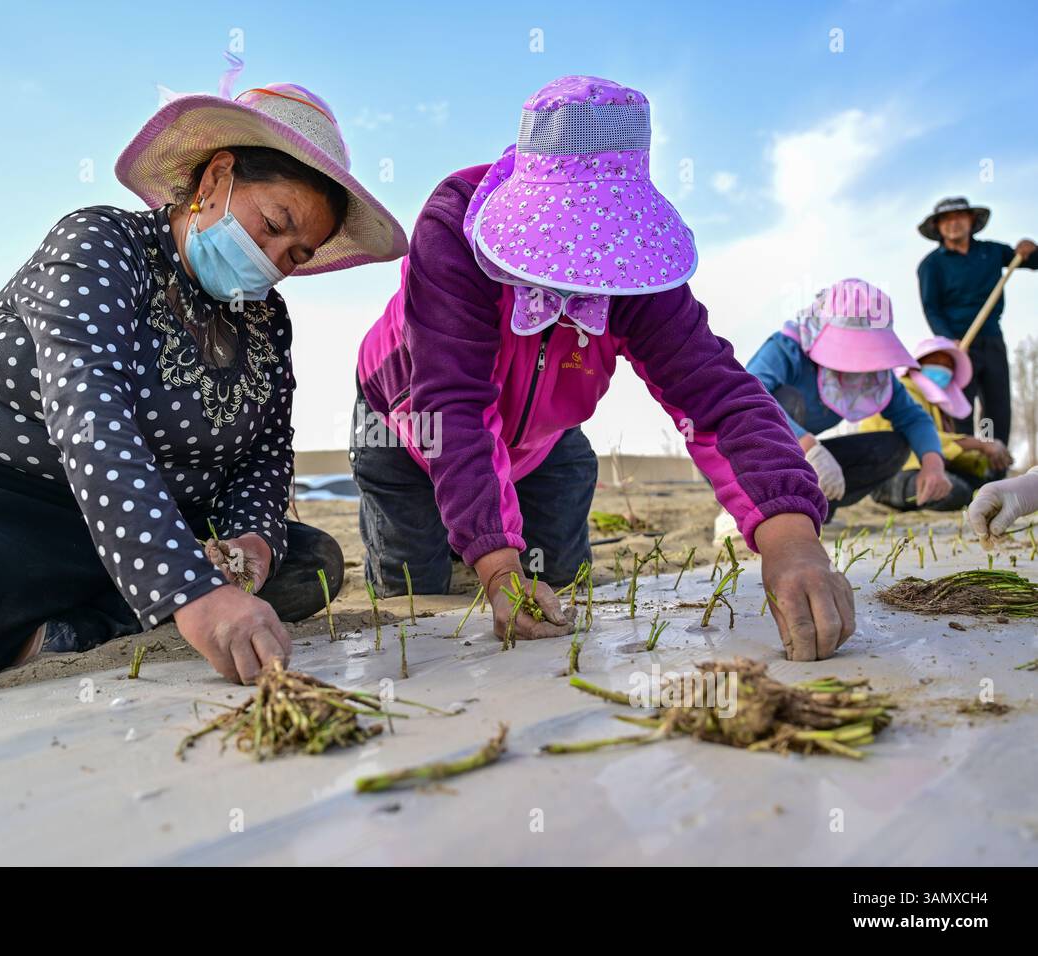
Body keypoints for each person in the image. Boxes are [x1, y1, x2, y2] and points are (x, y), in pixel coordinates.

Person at [0, 74, 408, 687]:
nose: (271, 264)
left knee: (309, 563)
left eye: (294, 256)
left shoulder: (265, 324)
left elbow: (263, 458)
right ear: (217, 176)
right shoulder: (98, 245)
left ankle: (69, 627)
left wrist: (251, 545)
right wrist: (196, 596)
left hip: (148, 529)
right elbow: (92, 421)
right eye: (271, 227)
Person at [352, 75, 854, 663]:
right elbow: (452, 405)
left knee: (563, 588)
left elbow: (715, 395)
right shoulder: (455, 227)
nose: (573, 269)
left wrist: (791, 537)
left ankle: (495, 540)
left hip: (545, 438)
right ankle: (465, 549)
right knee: (416, 604)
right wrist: (498, 568)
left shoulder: (636, 264)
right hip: (411, 426)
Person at [745, 280, 952, 518]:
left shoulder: (874, 376)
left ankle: (812, 504)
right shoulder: (786, 350)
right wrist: (805, 445)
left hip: (803, 462)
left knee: (893, 447)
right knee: (785, 399)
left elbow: (913, 418)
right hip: (749, 455)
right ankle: (749, 503)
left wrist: (933, 463)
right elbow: (748, 398)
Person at [917, 196, 1038, 443]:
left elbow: (1031, 260)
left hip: (992, 338)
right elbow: (932, 308)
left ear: (971, 220)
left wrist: (1030, 249)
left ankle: (995, 469)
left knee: (998, 407)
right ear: (938, 227)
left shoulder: (992, 252)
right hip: (958, 346)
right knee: (960, 408)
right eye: (946, 220)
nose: (953, 224)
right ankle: (964, 470)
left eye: (959, 216)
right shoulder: (931, 265)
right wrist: (951, 340)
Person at [862, 336, 1011, 511]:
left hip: (923, 469)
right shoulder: (904, 391)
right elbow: (922, 439)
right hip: (890, 473)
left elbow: (944, 450)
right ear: (916, 364)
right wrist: (981, 444)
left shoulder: (937, 405)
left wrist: (982, 459)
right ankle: (901, 499)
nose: (943, 369)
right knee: (956, 492)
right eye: (936, 361)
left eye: (948, 366)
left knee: (985, 486)